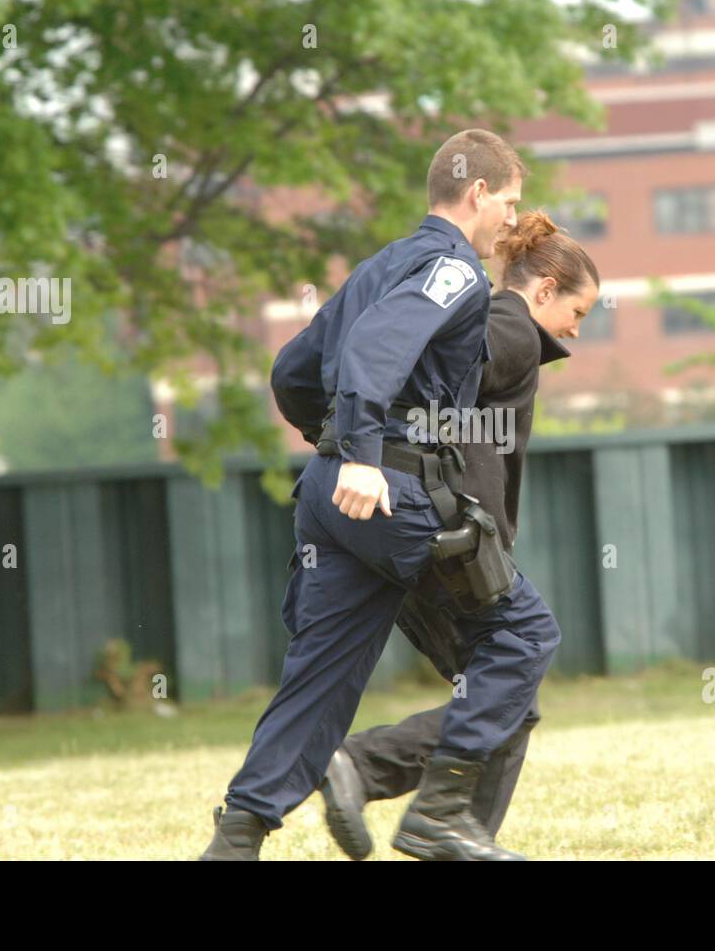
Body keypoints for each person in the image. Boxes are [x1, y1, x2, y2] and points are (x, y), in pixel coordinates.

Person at [200, 129, 561, 862]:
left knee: (319, 679)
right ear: (478, 193)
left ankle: (235, 840)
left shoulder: (383, 263)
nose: (509, 224)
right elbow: (374, 353)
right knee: (524, 635)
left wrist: (334, 446)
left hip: (333, 496)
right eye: (509, 203)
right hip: (387, 488)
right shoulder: (455, 267)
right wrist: (366, 453)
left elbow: (292, 371)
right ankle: (441, 814)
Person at [320, 211, 599, 860]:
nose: (578, 331)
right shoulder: (508, 326)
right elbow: (426, 367)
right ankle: (366, 768)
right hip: (451, 541)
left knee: (507, 701)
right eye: (578, 310)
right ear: (547, 287)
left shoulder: (498, 327)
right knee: (526, 648)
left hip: (424, 537)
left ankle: (451, 833)